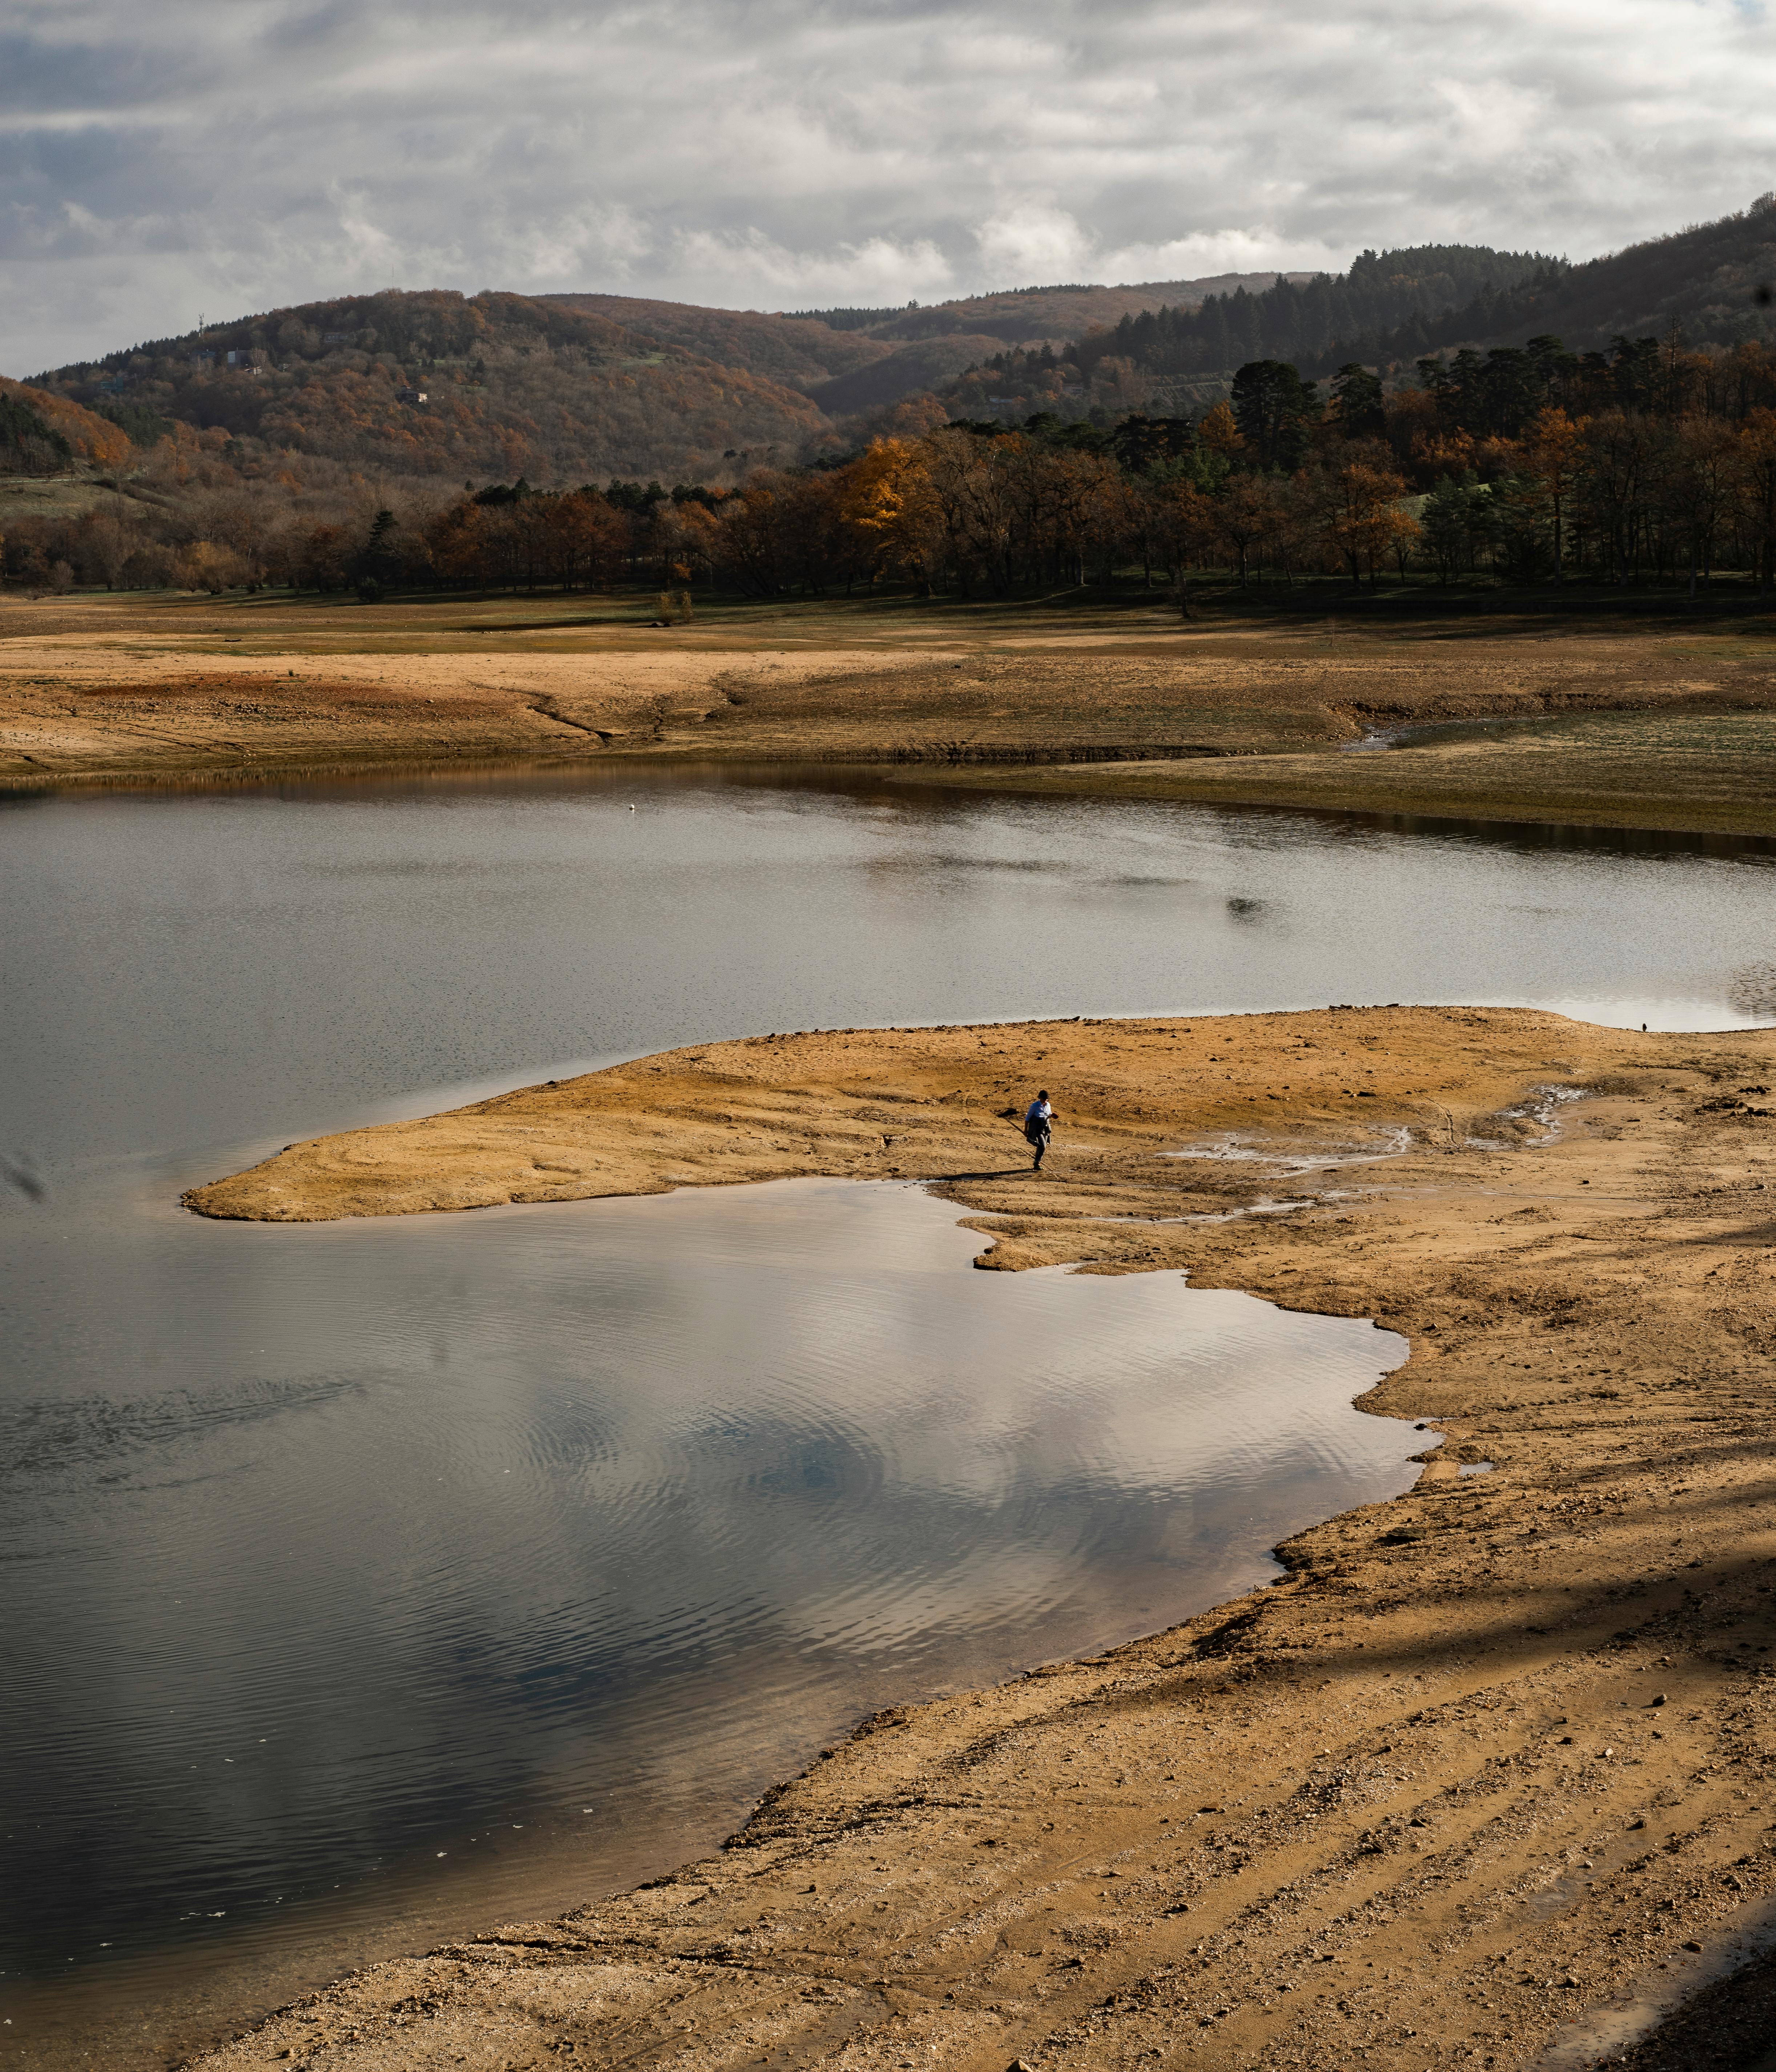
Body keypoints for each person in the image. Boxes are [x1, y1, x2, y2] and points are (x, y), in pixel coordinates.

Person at [1024, 1089, 1056, 1171]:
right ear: (1040, 1098)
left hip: (1045, 1127)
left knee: (1042, 1146)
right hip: (1037, 1128)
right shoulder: (1035, 1106)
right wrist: (1026, 1130)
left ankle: (1037, 1162)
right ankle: (1037, 1162)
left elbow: (1048, 1115)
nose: (1045, 1100)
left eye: (1047, 1099)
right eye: (1044, 1099)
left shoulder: (1048, 1105)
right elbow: (1028, 1118)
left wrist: (1052, 1116)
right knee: (1043, 1145)